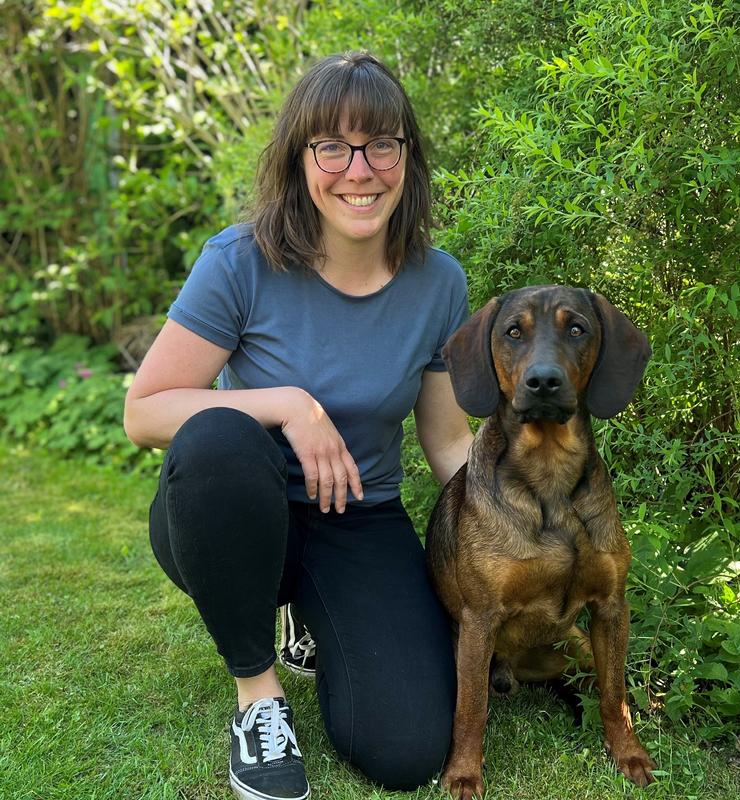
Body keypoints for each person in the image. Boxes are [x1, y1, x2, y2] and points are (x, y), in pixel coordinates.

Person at [123, 52, 473, 800]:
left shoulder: (439, 282)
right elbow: (145, 410)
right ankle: (258, 693)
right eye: (333, 147)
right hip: (234, 513)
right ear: (299, 158)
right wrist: (288, 404)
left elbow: (448, 440)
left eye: (381, 145)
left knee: (408, 750)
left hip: (360, 515)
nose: (360, 171)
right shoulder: (239, 262)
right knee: (219, 436)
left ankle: (315, 619)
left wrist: (523, 523)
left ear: (408, 157)